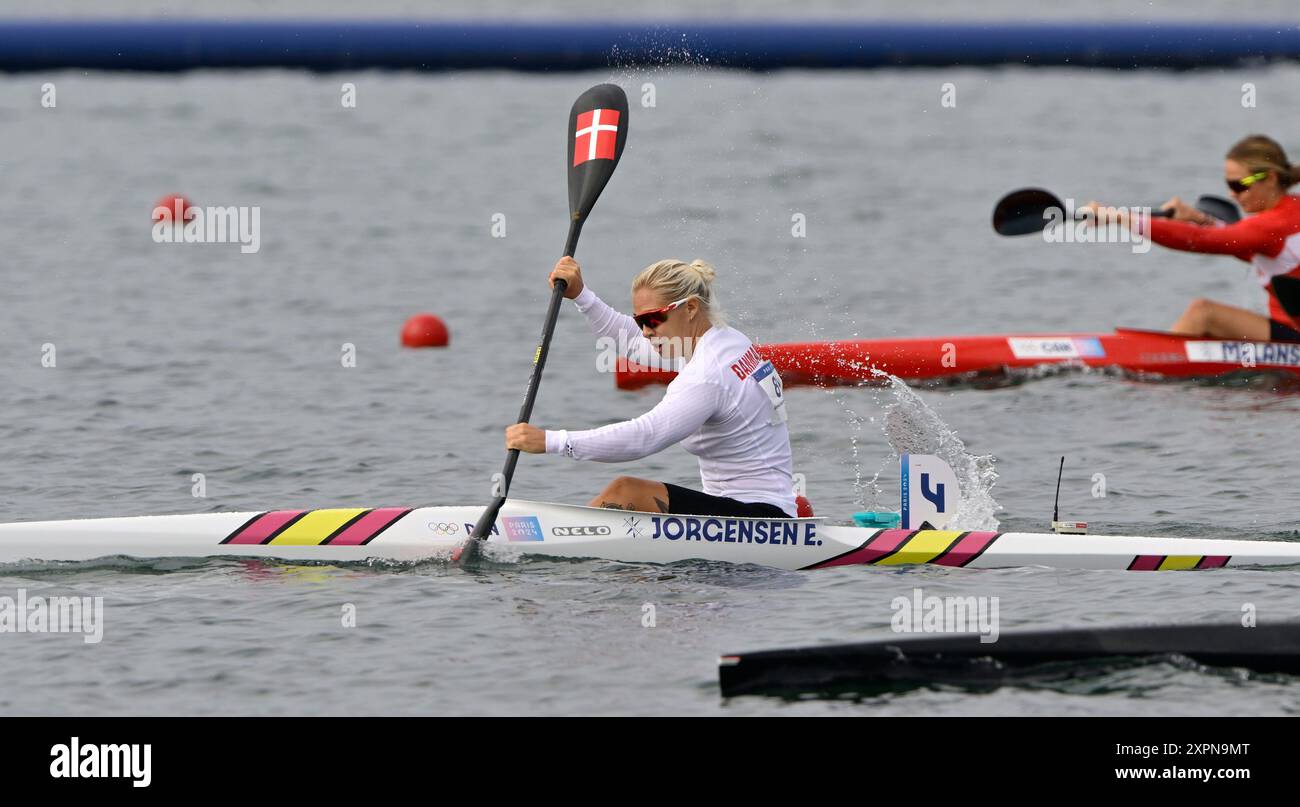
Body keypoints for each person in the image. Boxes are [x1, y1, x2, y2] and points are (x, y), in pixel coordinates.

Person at [504, 256, 796, 518]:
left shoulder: (708, 375)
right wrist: (582, 296)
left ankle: (553, 541)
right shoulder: (726, 340)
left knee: (626, 492)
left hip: (762, 520)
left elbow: (646, 436)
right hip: (754, 510)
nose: (645, 331)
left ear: (690, 308)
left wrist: (552, 441)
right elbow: (631, 341)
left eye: (653, 319)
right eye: (639, 320)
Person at [1088, 134, 1300, 342]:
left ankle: (1149, 365)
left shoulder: (1276, 223)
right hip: (1289, 331)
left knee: (1203, 313)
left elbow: (1204, 241)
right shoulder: (1289, 214)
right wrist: (1197, 218)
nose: (1232, 195)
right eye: (1229, 185)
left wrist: (1120, 217)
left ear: (1270, 178)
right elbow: (1244, 244)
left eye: (1239, 185)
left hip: (1293, 338)